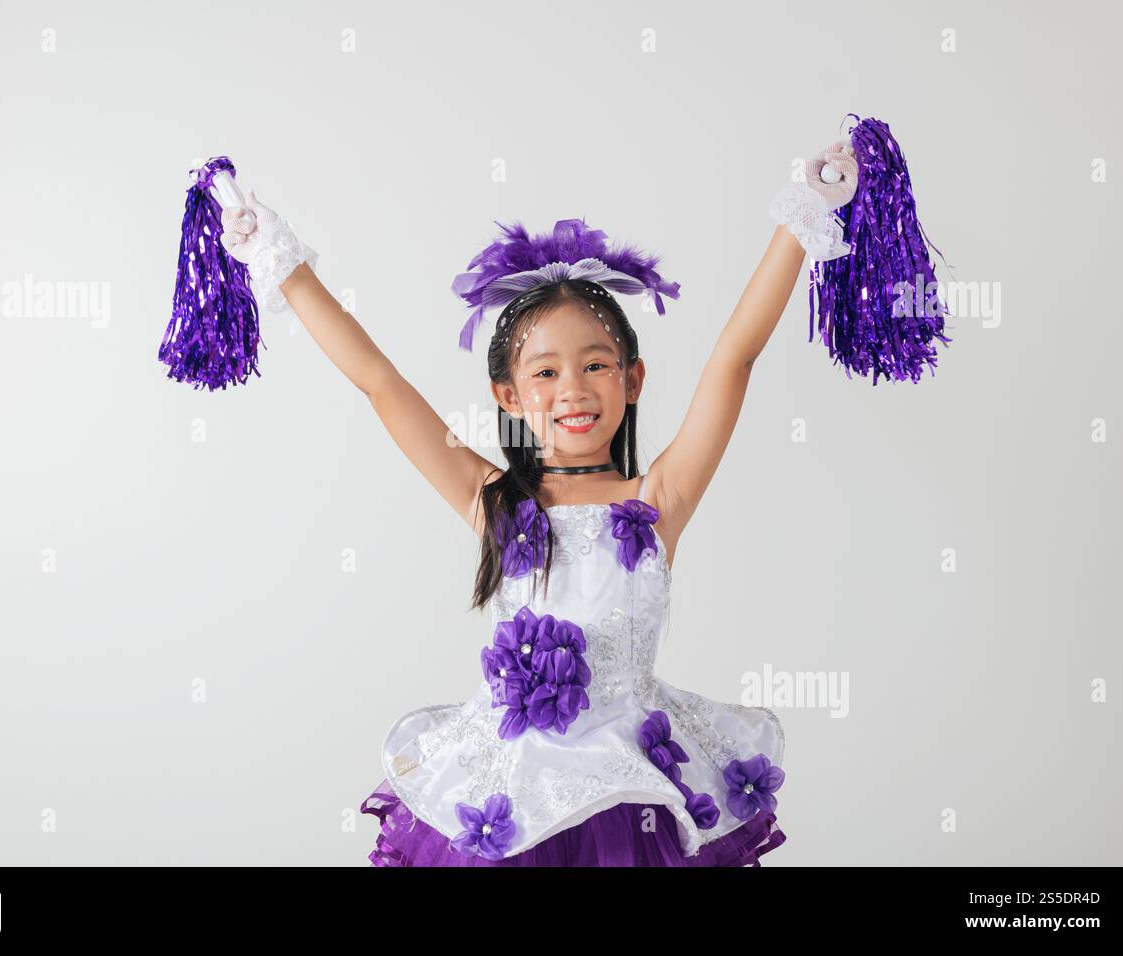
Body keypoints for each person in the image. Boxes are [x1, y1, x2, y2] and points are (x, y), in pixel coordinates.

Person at [219, 140, 858, 866]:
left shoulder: (659, 498)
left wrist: (803, 212)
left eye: (595, 365)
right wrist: (283, 264)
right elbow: (380, 383)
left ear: (634, 378)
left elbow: (733, 358)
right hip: (514, 790)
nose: (574, 390)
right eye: (546, 372)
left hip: (631, 790)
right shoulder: (492, 502)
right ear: (510, 398)